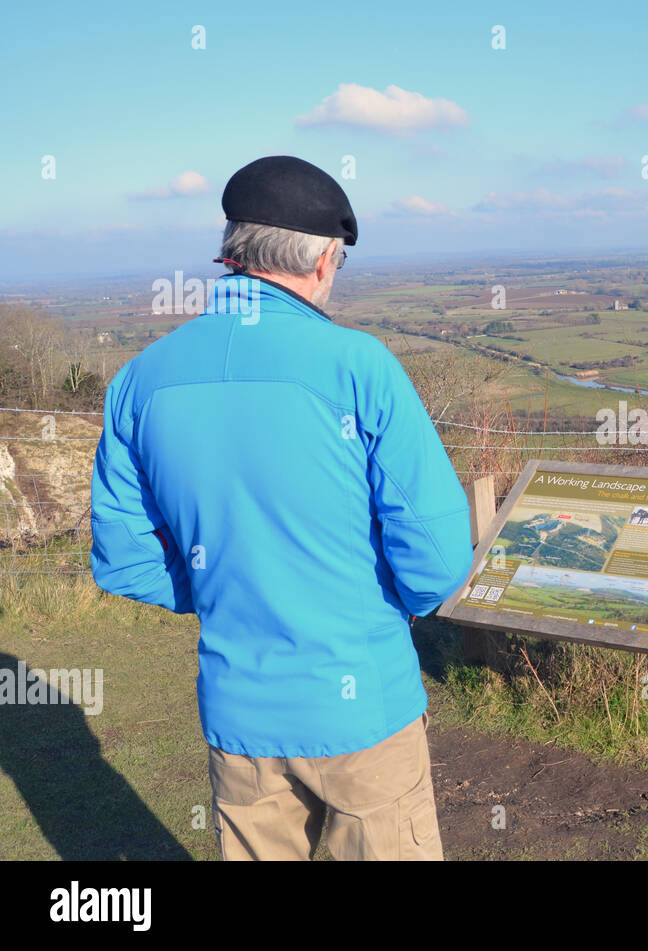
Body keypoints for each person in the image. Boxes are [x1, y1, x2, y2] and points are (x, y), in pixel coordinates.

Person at [90, 155, 474, 860]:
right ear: (325, 260)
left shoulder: (137, 383)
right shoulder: (361, 367)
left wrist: (223, 583)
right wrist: (390, 599)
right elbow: (438, 560)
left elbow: (126, 560)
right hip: (367, 710)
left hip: (239, 715)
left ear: (231, 253)